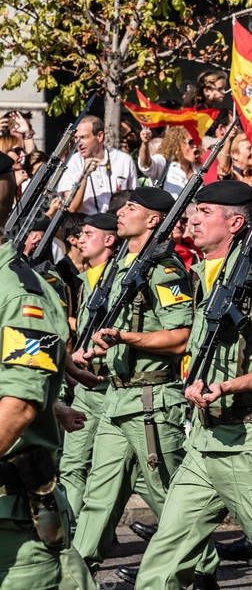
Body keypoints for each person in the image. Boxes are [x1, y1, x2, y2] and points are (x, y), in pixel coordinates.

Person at [135, 180, 252, 589]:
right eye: (194, 211)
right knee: (164, 557)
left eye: (205, 212)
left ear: (235, 222)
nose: (192, 218)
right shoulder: (205, 275)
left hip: (248, 441)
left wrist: (231, 387)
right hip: (204, 442)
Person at [70, 188, 218, 585]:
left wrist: (126, 340)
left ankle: (201, 572)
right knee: (98, 495)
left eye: (132, 208)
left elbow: (183, 335)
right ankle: (77, 574)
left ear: (154, 220)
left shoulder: (164, 269)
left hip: (151, 399)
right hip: (117, 398)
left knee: (170, 495)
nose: (121, 213)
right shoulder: (122, 263)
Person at [0, 234, 87, 587]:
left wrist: (44, 402)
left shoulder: (23, 294)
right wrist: (55, 404)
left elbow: (19, 406)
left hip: (11, 524)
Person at [60, 213, 118, 517]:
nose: (80, 239)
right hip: (87, 386)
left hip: (112, 386)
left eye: (88, 234)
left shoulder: (120, 281)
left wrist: (97, 354)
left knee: (138, 474)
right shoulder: (86, 280)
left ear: (109, 240)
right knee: (72, 465)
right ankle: (70, 537)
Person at [57, 115, 138, 215]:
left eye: (83, 137)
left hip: (116, 224)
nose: (78, 143)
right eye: (76, 138)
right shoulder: (72, 163)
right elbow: (71, 207)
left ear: (100, 136)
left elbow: (134, 200)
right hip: (85, 225)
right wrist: (84, 175)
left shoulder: (124, 160)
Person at [137, 125, 202, 197]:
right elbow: (146, 165)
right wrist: (145, 144)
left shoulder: (199, 167)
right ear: (177, 144)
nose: (195, 146)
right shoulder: (164, 162)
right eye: (191, 142)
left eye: (196, 141)